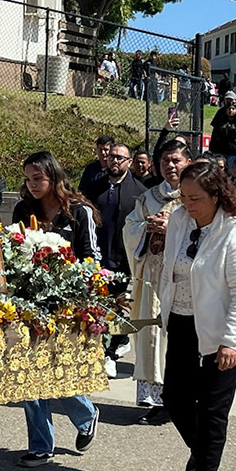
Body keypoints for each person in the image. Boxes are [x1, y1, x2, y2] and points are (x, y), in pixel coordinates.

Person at [157, 162, 236, 471]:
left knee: (213, 409)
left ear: (217, 195)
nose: (187, 204)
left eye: (195, 198)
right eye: (183, 197)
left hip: (222, 330)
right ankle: (201, 451)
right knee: (174, 398)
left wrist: (231, 340)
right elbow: (169, 269)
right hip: (182, 321)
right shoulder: (178, 221)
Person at [10, 152, 102, 466]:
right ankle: (40, 445)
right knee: (28, 372)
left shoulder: (78, 211)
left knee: (58, 370)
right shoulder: (23, 209)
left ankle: (86, 415)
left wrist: (84, 295)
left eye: (38, 178)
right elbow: (14, 249)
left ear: (54, 176)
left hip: (67, 303)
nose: (32, 185)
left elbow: (91, 257)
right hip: (29, 302)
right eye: (27, 179)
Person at [124, 139, 190, 421]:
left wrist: (171, 227)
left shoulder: (194, 195)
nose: (170, 165)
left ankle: (178, 399)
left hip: (181, 280)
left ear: (188, 162)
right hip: (152, 276)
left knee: (177, 337)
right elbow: (130, 227)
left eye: (176, 160)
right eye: (165, 160)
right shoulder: (149, 197)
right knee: (151, 334)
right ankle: (157, 399)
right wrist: (146, 227)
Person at [84, 140, 146, 360]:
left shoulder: (139, 193)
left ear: (129, 161)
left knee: (117, 306)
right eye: (111, 156)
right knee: (95, 306)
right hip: (96, 257)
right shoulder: (93, 188)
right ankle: (97, 349)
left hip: (122, 259)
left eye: (120, 157)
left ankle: (112, 350)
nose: (115, 161)